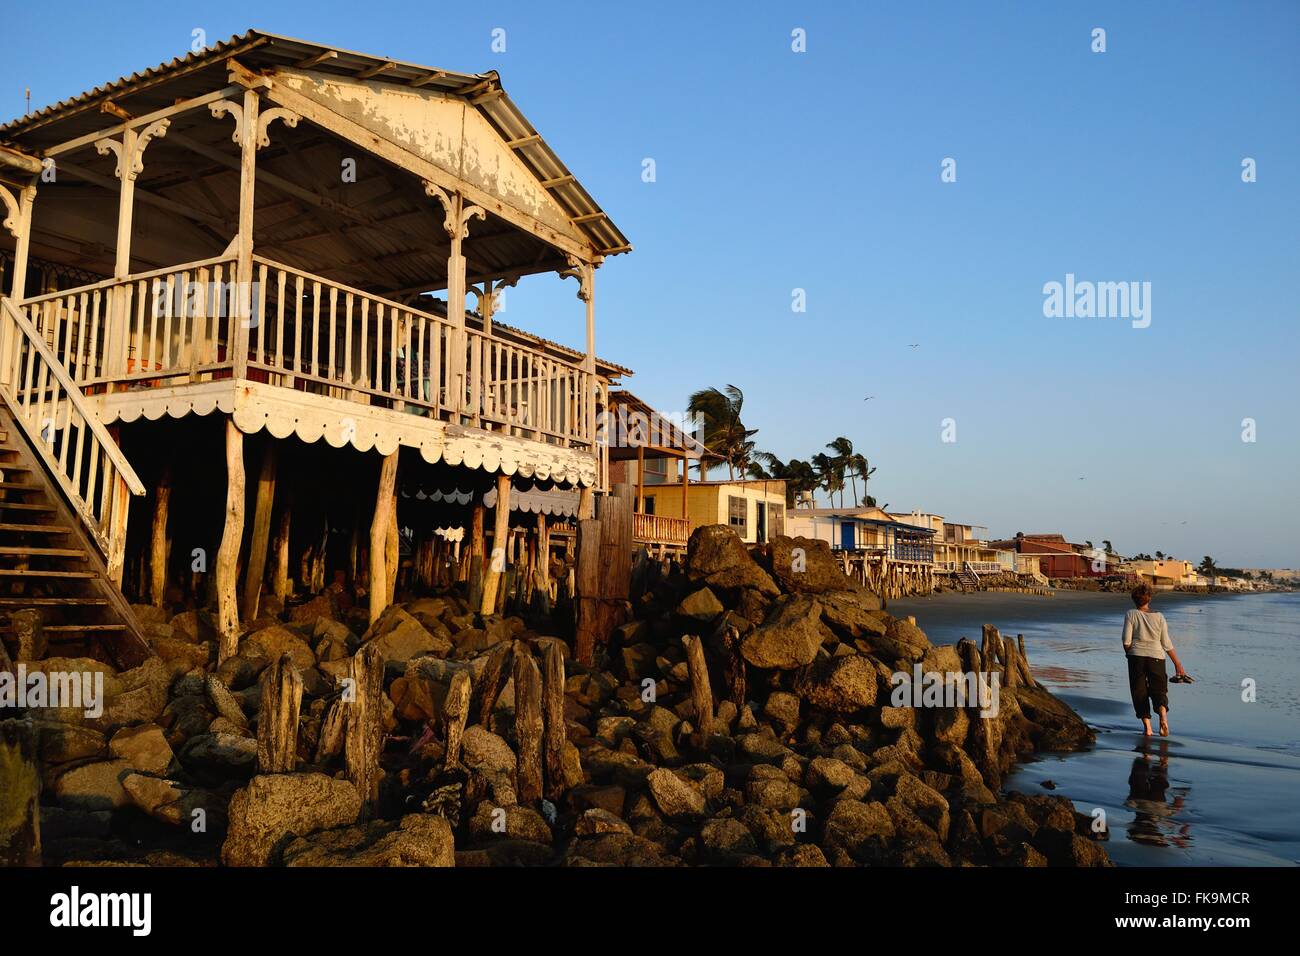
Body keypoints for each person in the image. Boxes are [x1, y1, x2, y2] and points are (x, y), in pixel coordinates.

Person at [1123, 584, 1191, 736]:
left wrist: (1130, 654)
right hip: (1157, 657)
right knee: (1159, 689)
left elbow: (1126, 640)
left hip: (1136, 656)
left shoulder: (1131, 614)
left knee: (1138, 691)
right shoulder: (1159, 617)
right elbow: (1166, 643)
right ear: (1149, 599)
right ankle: (1163, 716)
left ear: (1134, 600)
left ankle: (1147, 728)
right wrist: (1178, 664)